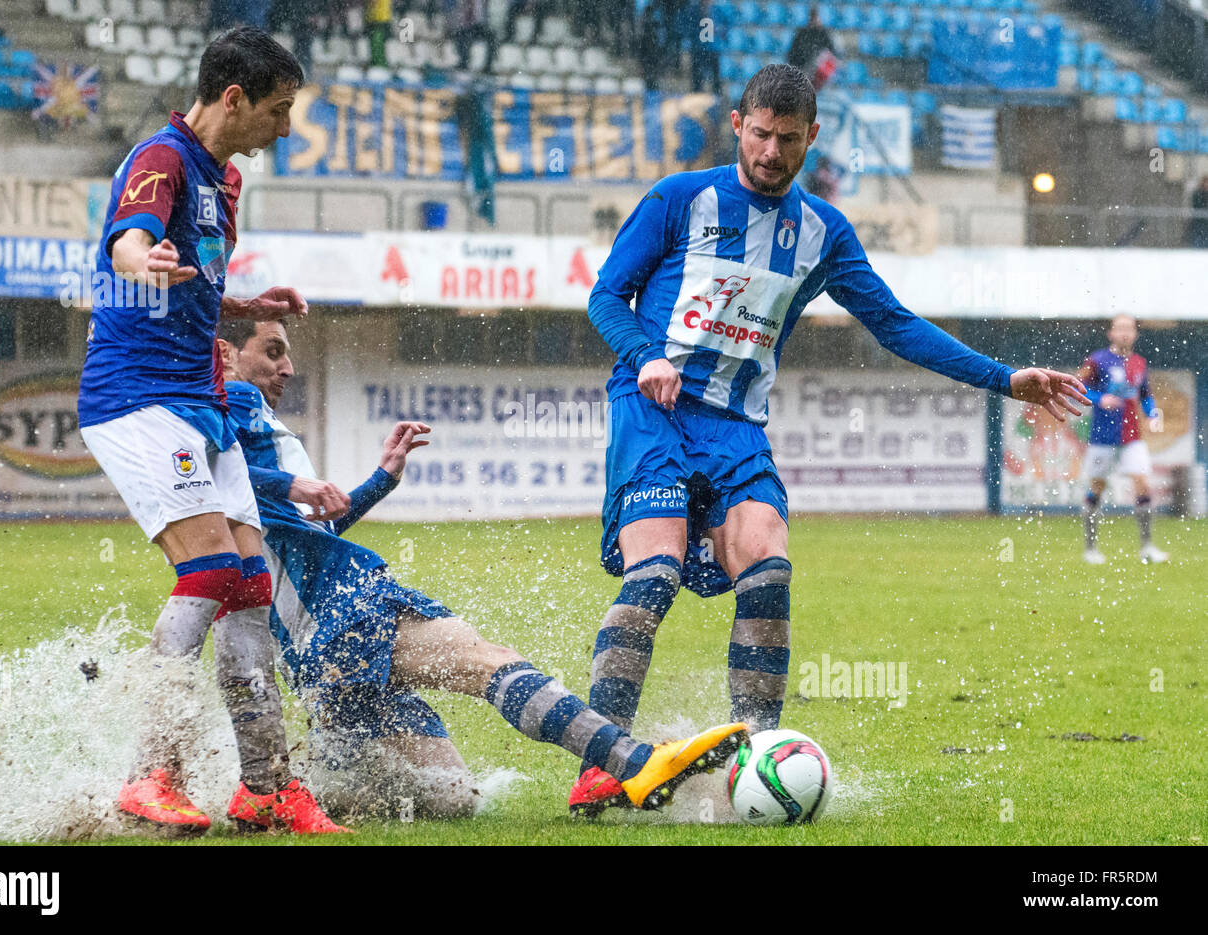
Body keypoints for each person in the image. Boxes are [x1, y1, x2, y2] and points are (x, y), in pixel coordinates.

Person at [575, 64, 1090, 817]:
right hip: (654, 410)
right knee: (652, 576)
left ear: (811, 137)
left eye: (788, 139)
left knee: (770, 571)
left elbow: (894, 322)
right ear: (737, 123)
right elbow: (603, 296)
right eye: (759, 133)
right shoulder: (680, 199)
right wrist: (646, 355)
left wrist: (1004, 378)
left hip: (737, 427)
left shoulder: (822, 231)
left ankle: (758, 753)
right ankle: (604, 761)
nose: (771, 151)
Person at [216, 317, 751, 819]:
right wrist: (295, 484)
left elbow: (312, 528)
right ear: (225, 354)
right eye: (272, 351)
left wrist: (381, 479)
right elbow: (221, 472)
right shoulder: (232, 400)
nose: (286, 367)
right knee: (487, 661)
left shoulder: (252, 425)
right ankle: (634, 764)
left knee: (450, 800)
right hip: (342, 610)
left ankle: (275, 787)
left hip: (312, 646)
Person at [76, 27, 344, 836]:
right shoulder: (162, 159)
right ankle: (148, 773)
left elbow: (191, 279)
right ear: (234, 98)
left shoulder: (223, 179)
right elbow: (130, 241)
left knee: (252, 588)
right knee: (211, 570)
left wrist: (248, 307)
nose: (286, 128)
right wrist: (136, 259)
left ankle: (265, 785)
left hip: (200, 398)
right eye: (278, 109)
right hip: (136, 398)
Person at [1078, 315, 1167, 565]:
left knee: (1143, 484)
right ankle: (1090, 549)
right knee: (1097, 487)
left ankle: (1147, 548)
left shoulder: (1139, 363)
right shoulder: (1097, 360)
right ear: (1111, 333)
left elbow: (1145, 394)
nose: (1125, 333)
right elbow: (1077, 388)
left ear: (1136, 334)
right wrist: (1099, 399)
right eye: (1121, 328)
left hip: (1132, 437)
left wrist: (1152, 414)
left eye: (1130, 329)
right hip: (1102, 437)